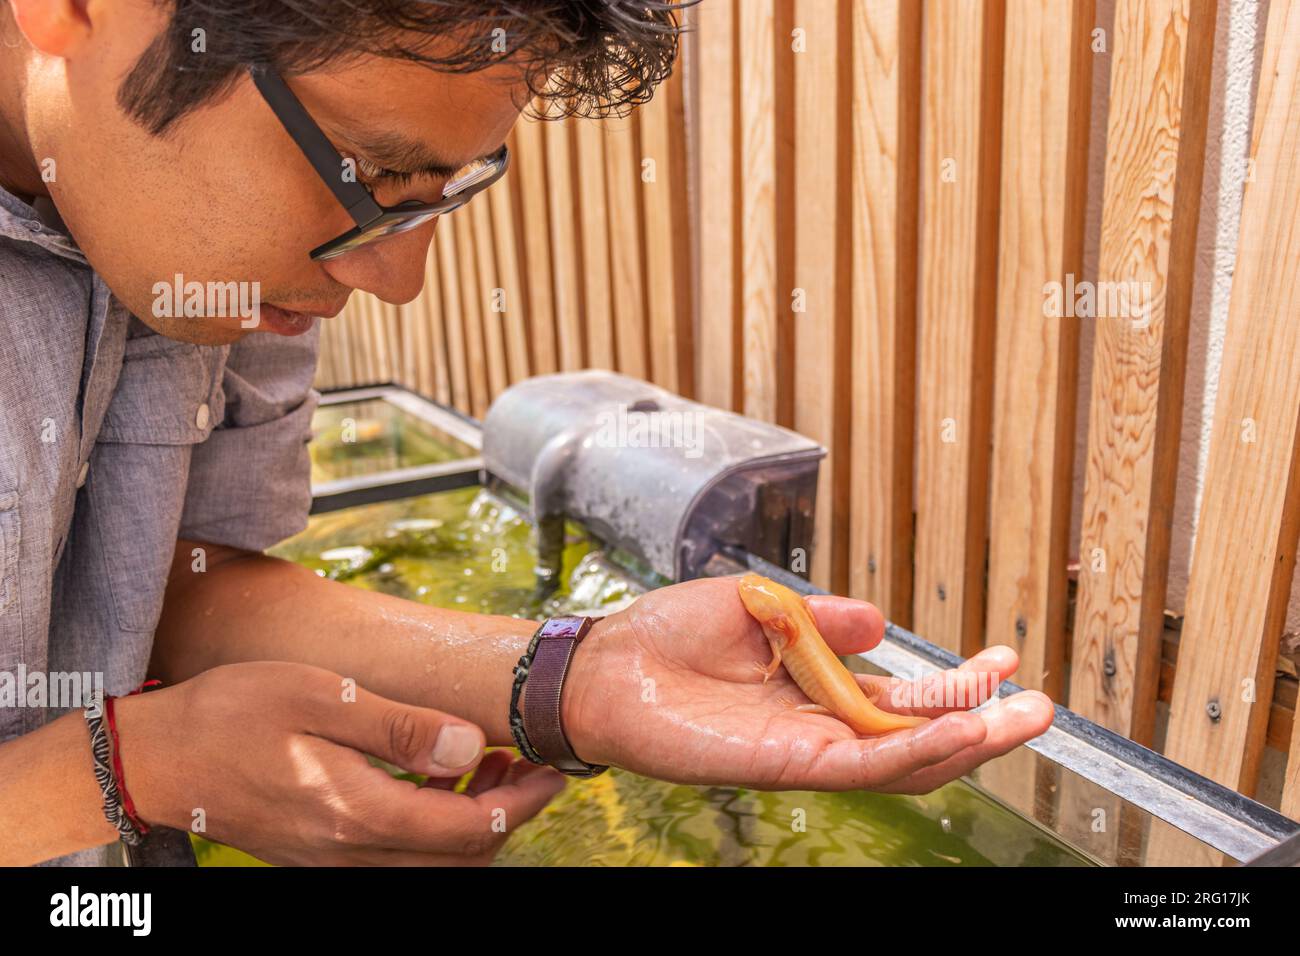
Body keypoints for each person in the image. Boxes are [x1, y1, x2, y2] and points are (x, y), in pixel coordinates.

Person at [0, 0, 1053, 866]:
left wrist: (575, 676)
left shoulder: (218, 242)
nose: (391, 278)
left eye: (436, 197)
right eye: (369, 173)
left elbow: (173, 587)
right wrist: (133, 771)